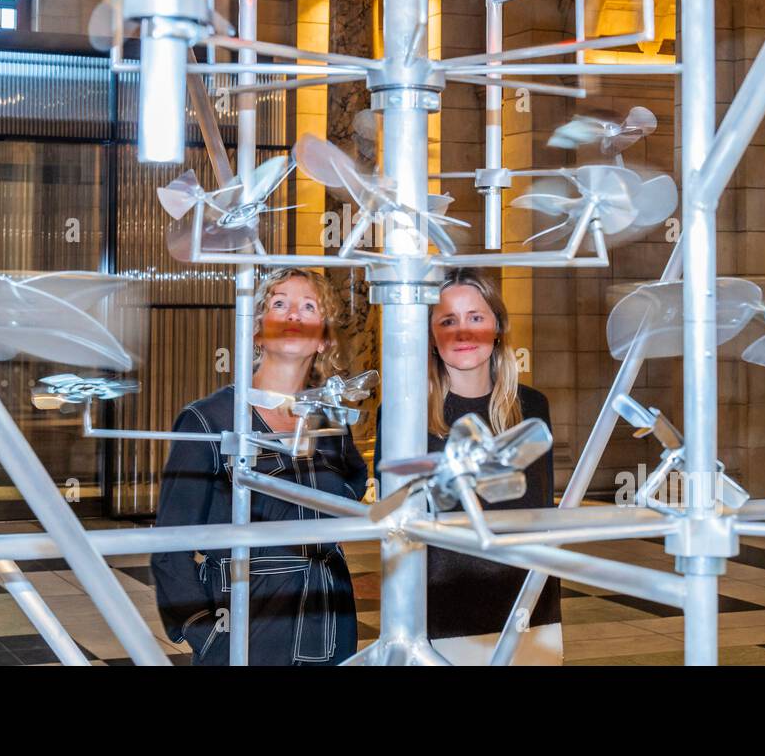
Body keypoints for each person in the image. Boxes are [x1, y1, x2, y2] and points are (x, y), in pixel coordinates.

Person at [151, 267, 369, 665]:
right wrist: (202, 628)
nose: (293, 316)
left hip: (328, 615)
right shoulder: (209, 419)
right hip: (243, 615)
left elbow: (352, 487)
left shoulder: (331, 420)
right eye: (279, 304)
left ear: (323, 339)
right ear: (256, 331)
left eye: (309, 307)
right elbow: (169, 544)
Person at [375, 267, 563, 665]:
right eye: (448, 320)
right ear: (431, 337)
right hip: (440, 614)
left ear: (497, 326)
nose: (463, 332)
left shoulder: (532, 407)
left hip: (527, 608)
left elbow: (540, 511)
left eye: (475, 317)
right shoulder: (403, 414)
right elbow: (392, 518)